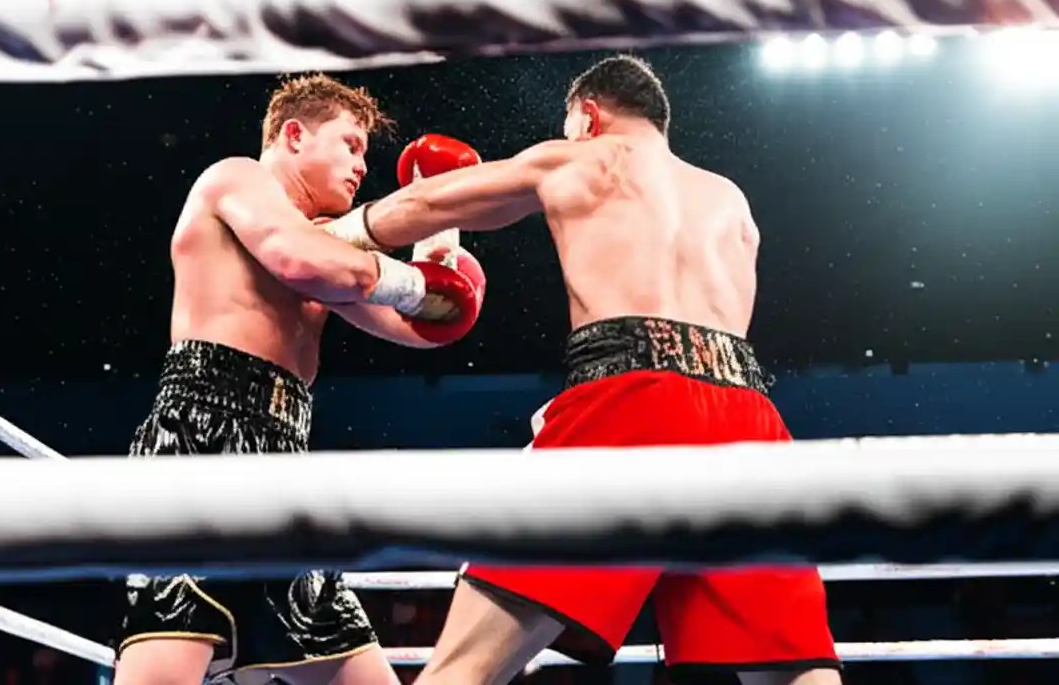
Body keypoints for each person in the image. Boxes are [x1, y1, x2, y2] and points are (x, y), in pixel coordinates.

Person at [321, 55, 841, 685]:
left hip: (631, 398)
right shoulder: (728, 199)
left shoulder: (584, 158)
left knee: (463, 670)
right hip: (749, 417)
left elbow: (428, 201)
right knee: (795, 673)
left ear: (588, 115)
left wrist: (330, 236)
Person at [114, 73, 487, 685]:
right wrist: (418, 282)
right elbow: (301, 262)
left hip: (284, 454)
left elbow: (422, 328)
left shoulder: (330, 248)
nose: (362, 165)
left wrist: (443, 227)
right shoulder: (236, 180)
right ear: (293, 135)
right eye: (350, 144)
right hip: (203, 436)